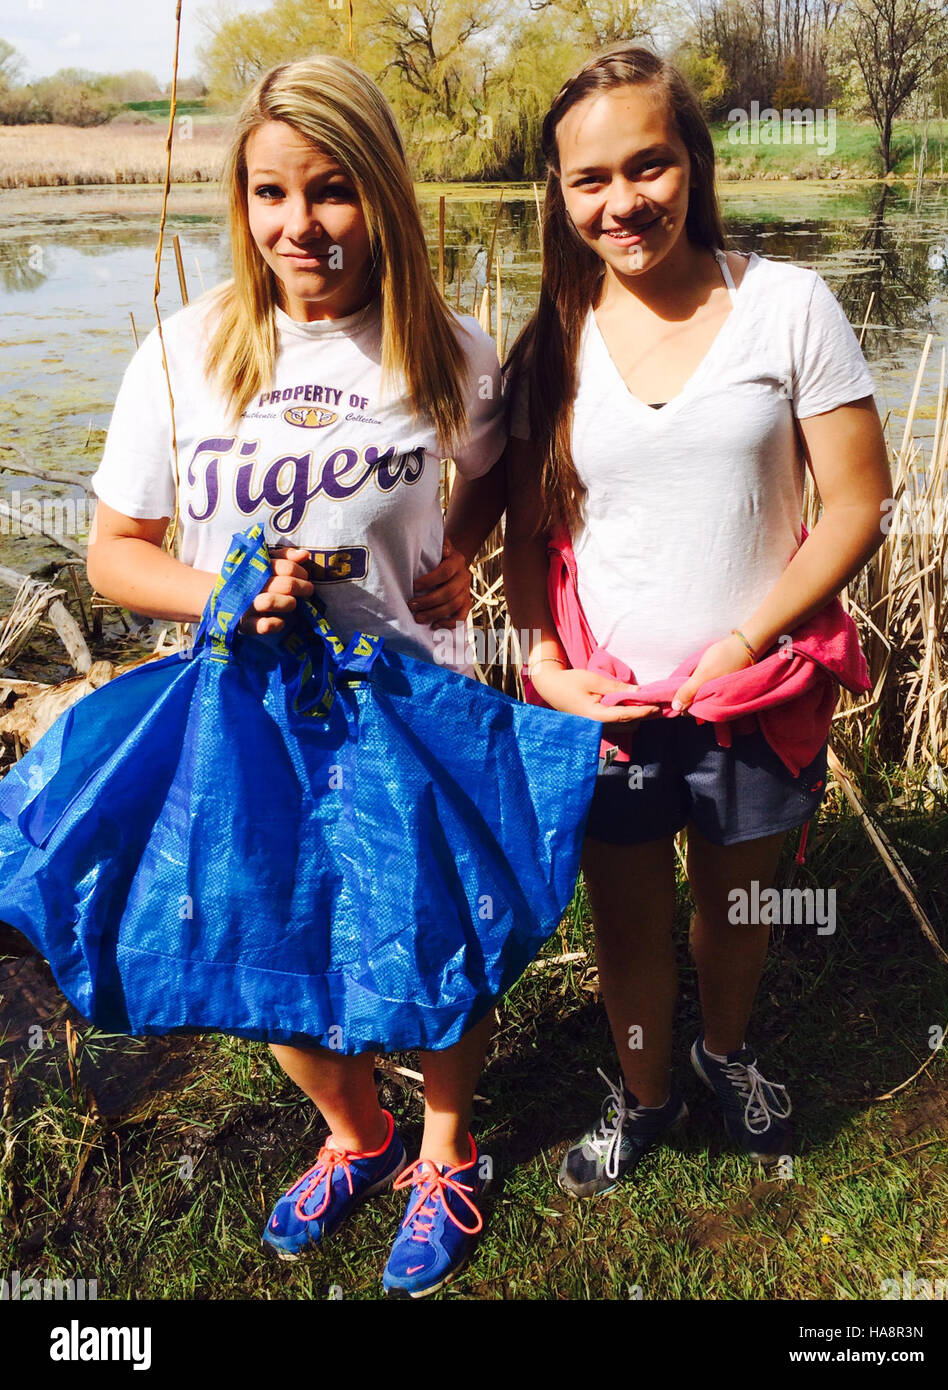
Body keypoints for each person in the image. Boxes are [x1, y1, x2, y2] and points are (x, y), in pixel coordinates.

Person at [86, 56, 512, 1297]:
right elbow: (116, 554)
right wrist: (226, 592)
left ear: (379, 191)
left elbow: (492, 469)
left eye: (330, 190)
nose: (298, 224)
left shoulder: (446, 347)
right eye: (270, 192)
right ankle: (357, 1135)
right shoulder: (183, 352)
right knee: (261, 949)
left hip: (399, 700)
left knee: (434, 935)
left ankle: (444, 1149)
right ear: (241, 199)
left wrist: (459, 554)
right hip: (242, 714)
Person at [502, 44, 891, 1196]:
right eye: (590, 179)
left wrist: (746, 636)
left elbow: (857, 502)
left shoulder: (787, 304)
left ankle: (725, 1055)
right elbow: (526, 535)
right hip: (611, 701)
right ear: (560, 194)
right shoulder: (554, 340)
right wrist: (542, 660)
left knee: (737, 904)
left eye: (648, 164)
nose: (622, 202)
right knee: (625, 921)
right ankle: (643, 1091)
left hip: (754, 686)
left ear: (693, 162)